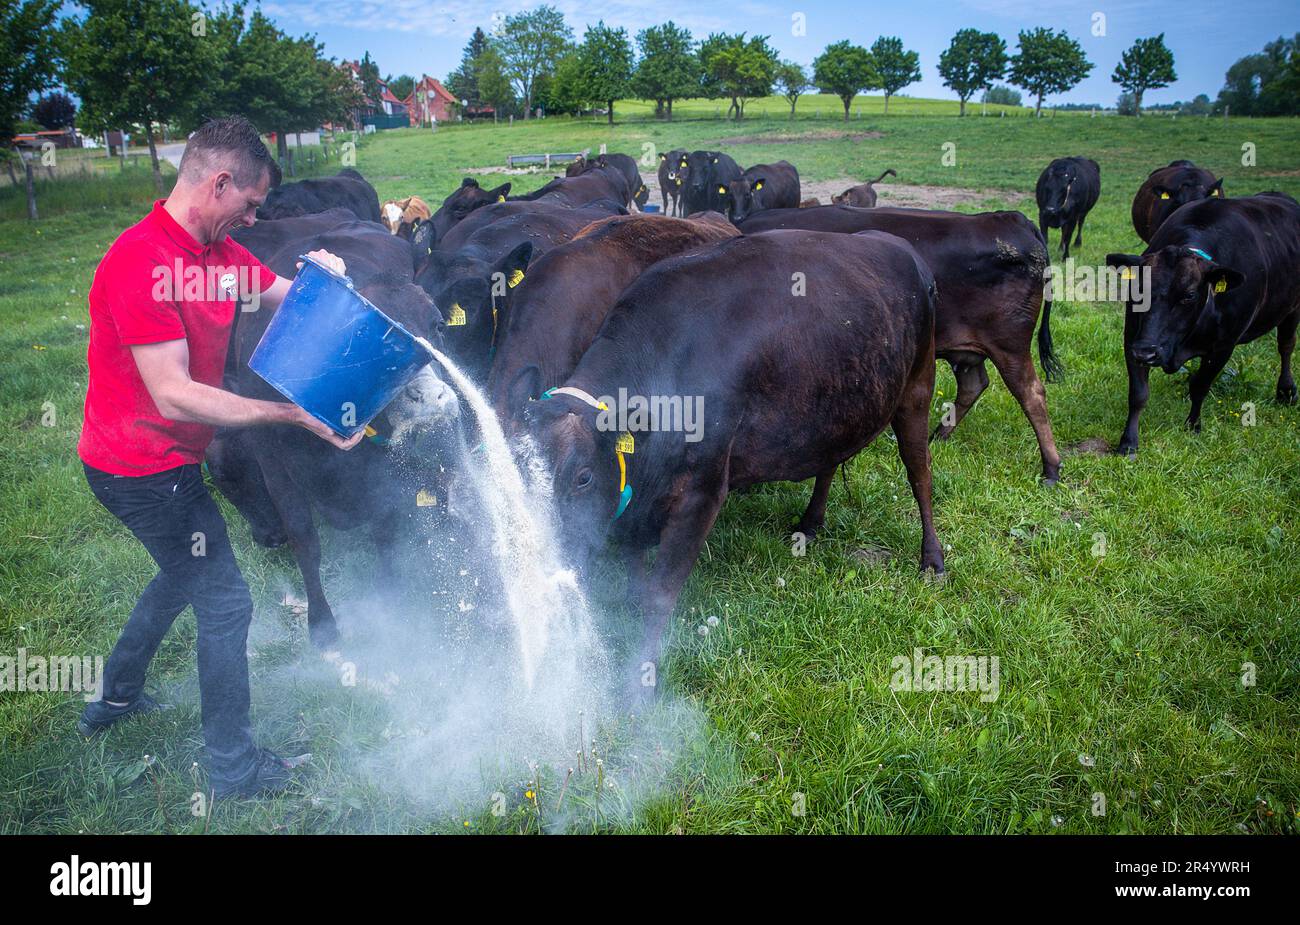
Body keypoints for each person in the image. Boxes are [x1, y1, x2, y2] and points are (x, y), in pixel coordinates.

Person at [76, 115, 361, 798]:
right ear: (220, 181)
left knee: (182, 573)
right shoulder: (141, 261)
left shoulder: (218, 256)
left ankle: (112, 700)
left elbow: (284, 296)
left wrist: (328, 282)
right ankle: (234, 770)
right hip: (135, 469)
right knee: (227, 602)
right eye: (252, 203)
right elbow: (174, 396)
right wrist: (292, 413)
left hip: (166, 462)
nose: (255, 216)